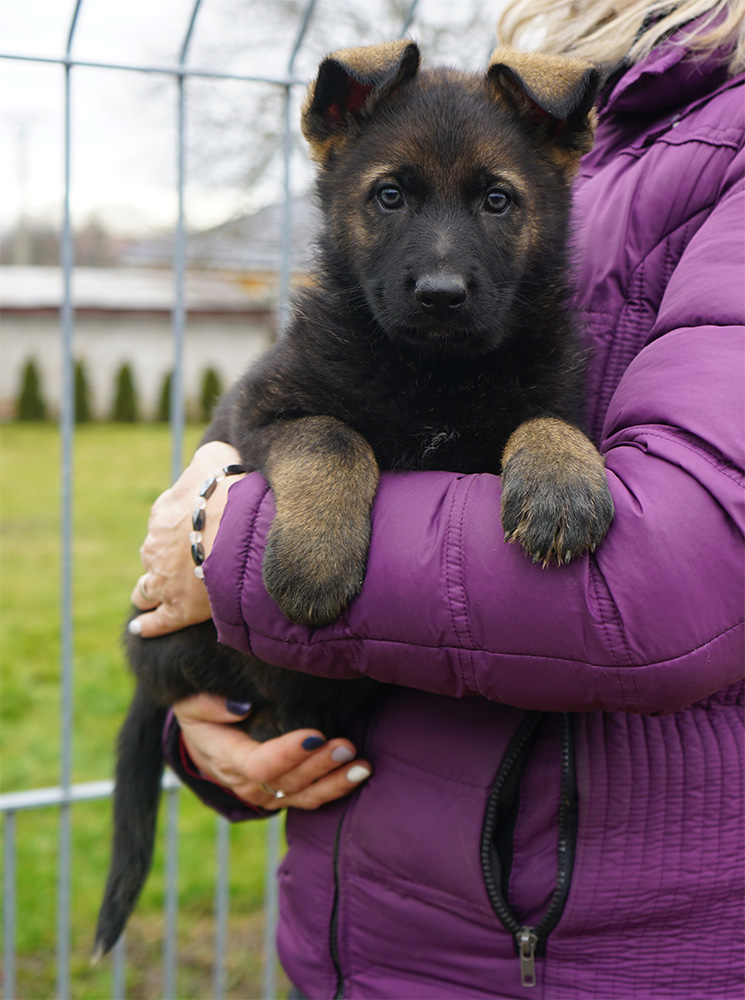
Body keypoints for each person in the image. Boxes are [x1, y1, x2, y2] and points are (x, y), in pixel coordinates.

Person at [127, 1, 745, 996]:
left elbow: (661, 572)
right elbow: (259, 436)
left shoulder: (608, 132)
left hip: (595, 941)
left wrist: (224, 543)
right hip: (363, 916)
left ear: (552, 167)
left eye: (494, 202)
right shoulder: (576, 102)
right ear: (335, 149)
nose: (443, 262)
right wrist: (204, 717)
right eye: (393, 198)